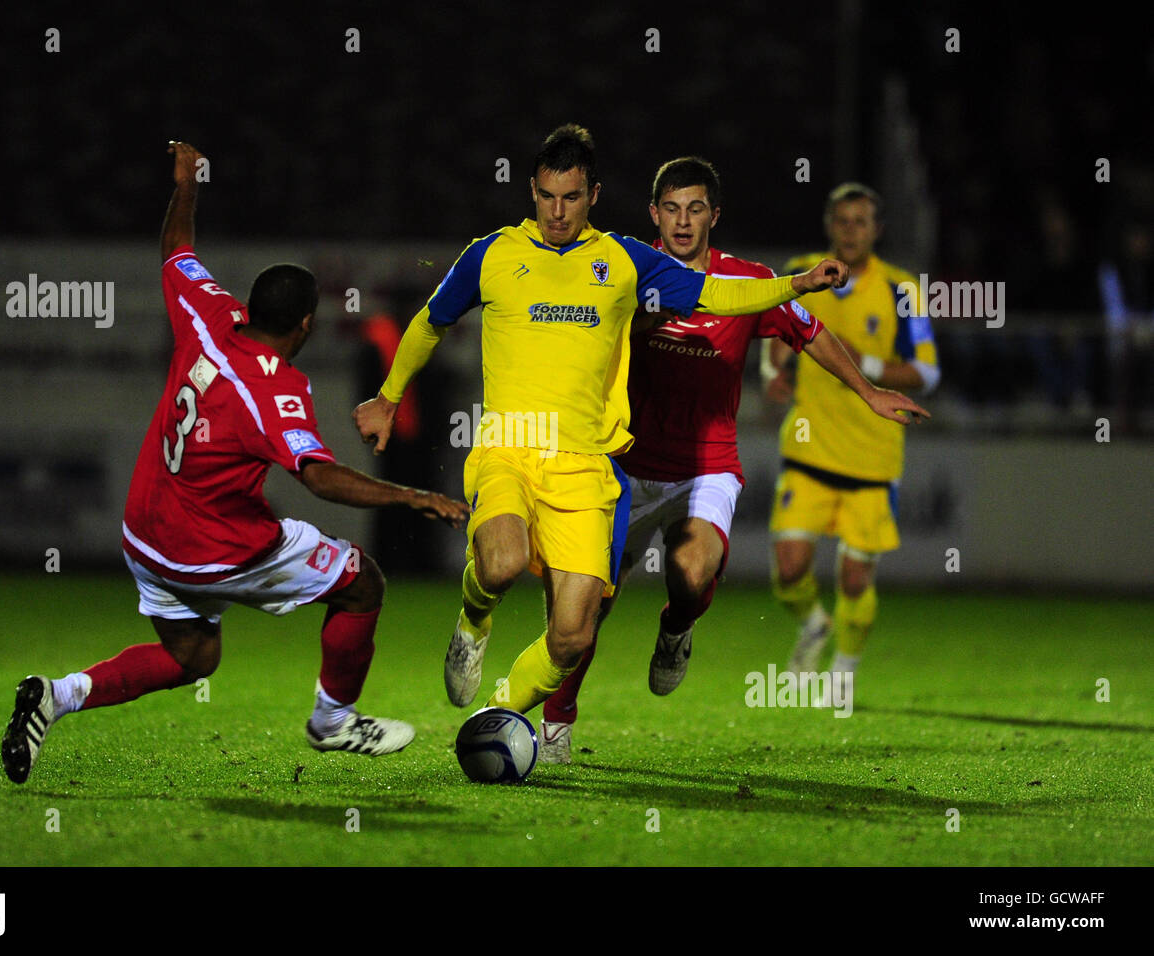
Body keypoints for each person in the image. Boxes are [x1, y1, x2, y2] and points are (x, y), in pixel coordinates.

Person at [0, 142, 467, 784]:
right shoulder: (277, 390)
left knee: (192, 656)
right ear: (303, 325)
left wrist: (187, 185)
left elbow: (175, 250)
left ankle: (55, 696)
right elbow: (320, 477)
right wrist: (415, 496)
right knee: (362, 583)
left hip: (146, 531)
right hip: (215, 548)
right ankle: (334, 721)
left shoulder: (208, 314)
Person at [353, 125, 854, 723]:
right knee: (503, 562)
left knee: (572, 638)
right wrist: (388, 396)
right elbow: (431, 321)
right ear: (531, 192)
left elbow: (715, 296)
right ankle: (474, 617)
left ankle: (499, 714)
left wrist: (794, 285)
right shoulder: (492, 253)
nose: (556, 212)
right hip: (508, 449)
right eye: (545, 196)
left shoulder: (623, 260)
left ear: (593, 194)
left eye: (569, 197)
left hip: (586, 466)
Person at [536, 158, 929, 762]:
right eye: (671, 208)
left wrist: (871, 392)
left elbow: (811, 331)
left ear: (713, 216)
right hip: (623, 464)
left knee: (691, 576)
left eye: (696, 208)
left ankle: (676, 629)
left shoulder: (748, 283)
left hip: (706, 468)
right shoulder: (622, 271)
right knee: (589, 604)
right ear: (653, 214)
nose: (683, 221)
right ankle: (557, 724)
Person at [762, 182, 940, 696]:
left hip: (872, 458)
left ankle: (845, 664)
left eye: (860, 222)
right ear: (829, 224)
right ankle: (813, 624)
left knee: (855, 580)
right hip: (809, 450)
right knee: (789, 570)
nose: (850, 230)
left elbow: (925, 373)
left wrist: (858, 363)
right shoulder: (805, 270)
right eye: (842, 220)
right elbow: (774, 328)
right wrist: (773, 370)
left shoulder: (901, 291)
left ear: (876, 230)